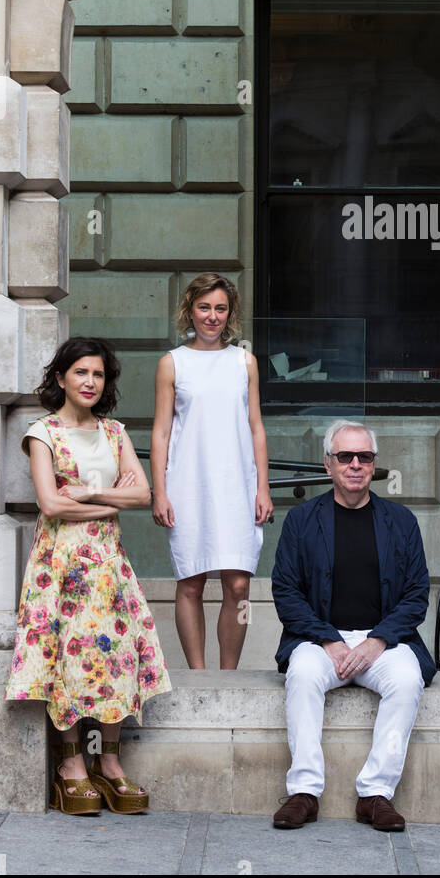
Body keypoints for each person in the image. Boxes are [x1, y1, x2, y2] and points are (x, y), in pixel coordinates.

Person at [5, 337, 170, 815]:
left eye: (98, 375)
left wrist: (78, 491)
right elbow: (50, 504)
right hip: (60, 565)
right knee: (68, 661)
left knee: (115, 656)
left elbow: (143, 495)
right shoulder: (43, 433)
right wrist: (104, 498)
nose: (90, 382)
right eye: (80, 373)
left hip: (108, 562)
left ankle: (110, 763)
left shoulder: (115, 432)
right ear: (61, 378)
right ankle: (71, 764)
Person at [270, 420, 434, 832]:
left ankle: (375, 794)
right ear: (329, 464)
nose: (356, 465)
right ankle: (304, 792)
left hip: (382, 642)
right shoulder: (302, 521)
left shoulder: (401, 520)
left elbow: (417, 595)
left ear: (374, 465)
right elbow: (286, 592)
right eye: (346, 457)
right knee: (303, 673)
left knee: (408, 679)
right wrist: (328, 640)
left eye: (365, 457)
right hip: (320, 640)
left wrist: (378, 640)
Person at [150, 273, 273, 670]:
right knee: (192, 581)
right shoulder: (172, 363)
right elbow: (161, 432)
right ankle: (199, 677)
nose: (212, 316)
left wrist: (264, 489)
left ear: (230, 314)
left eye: (220, 308)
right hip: (188, 485)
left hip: (238, 485)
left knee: (238, 585)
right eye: (204, 307)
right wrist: (161, 491)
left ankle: (228, 676)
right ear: (190, 310)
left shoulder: (244, 361)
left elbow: (256, 426)